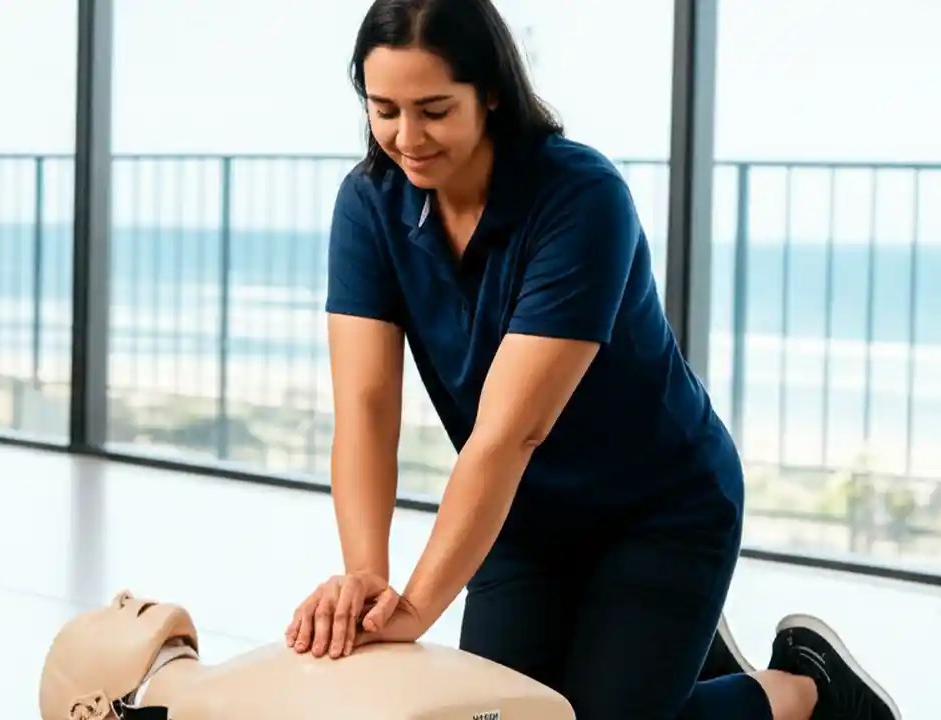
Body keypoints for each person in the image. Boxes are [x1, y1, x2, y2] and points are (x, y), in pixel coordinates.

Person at [283, 2, 901, 719]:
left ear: (490, 92)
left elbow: (510, 434)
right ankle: (688, 665)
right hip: (521, 516)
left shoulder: (580, 198)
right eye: (384, 109)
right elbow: (365, 409)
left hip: (659, 508)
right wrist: (366, 575)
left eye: (434, 110)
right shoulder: (370, 203)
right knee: (503, 713)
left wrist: (417, 607)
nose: (407, 138)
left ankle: (805, 688)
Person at [39, 589, 574, 719]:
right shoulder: (215, 702)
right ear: (88, 711)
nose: (124, 596)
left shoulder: (246, 681)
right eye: (103, 614)